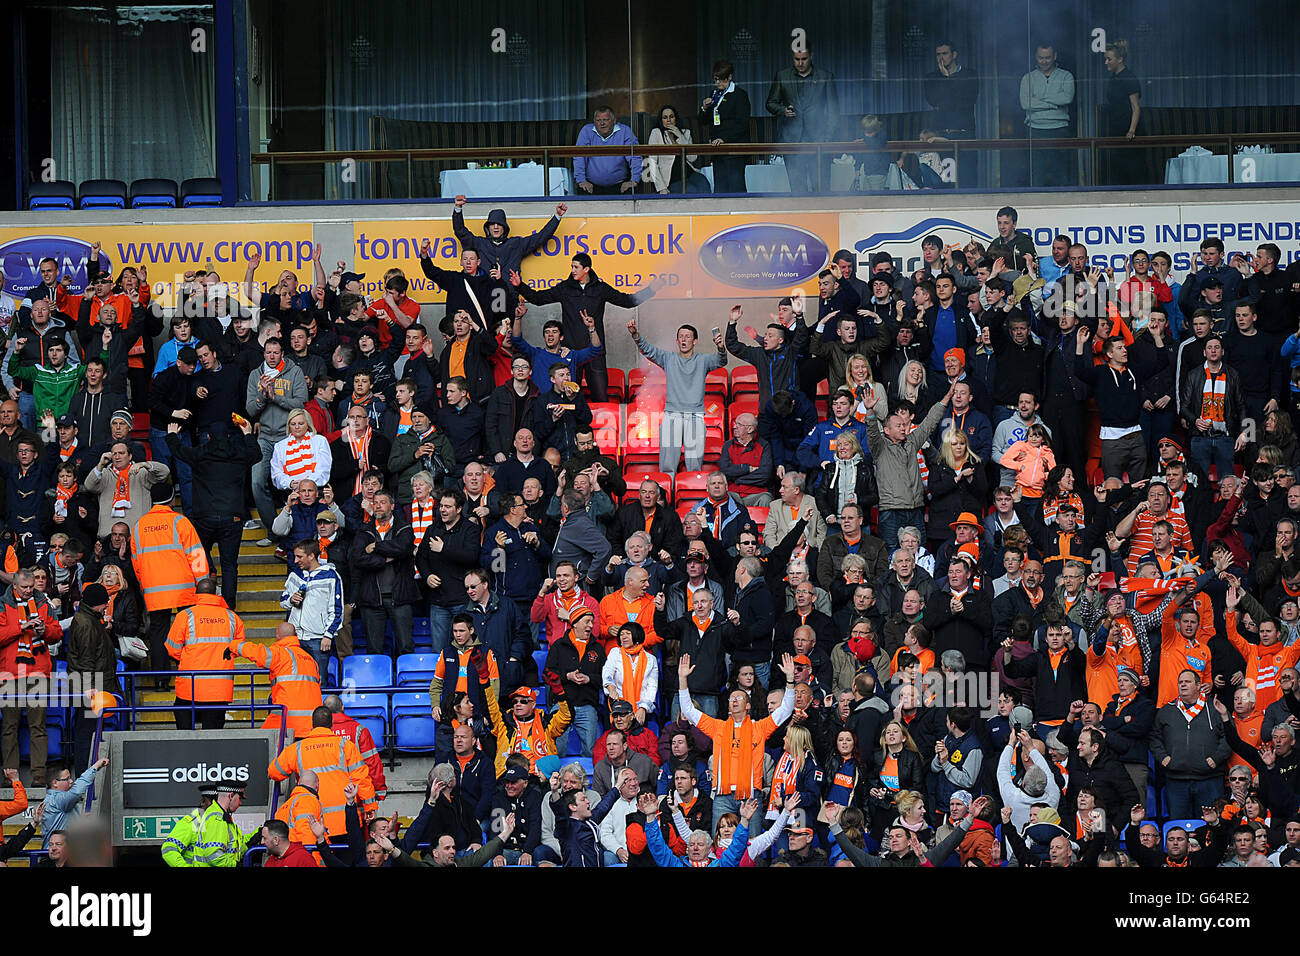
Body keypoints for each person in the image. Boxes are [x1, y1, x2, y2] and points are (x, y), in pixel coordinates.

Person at [678, 651, 797, 829]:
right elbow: (688, 710)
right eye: (731, 698)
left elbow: (786, 709)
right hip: (721, 797)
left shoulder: (760, 728)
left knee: (752, 848)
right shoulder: (717, 727)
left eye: (739, 698)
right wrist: (682, 680)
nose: (734, 700)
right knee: (721, 847)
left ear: (748, 706)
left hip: (750, 796)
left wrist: (789, 679)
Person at [166, 412, 260, 609]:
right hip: (232, 517)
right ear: (227, 436)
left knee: (200, 557)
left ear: (208, 437)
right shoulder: (238, 454)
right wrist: (248, 433)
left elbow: (178, 451)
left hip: (204, 517)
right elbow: (256, 453)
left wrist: (172, 434)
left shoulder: (200, 454)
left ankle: (204, 598)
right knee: (229, 566)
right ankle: (228, 608)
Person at [131, 482, 209, 688]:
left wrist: (144, 583)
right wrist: (203, 583)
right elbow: (197, 555)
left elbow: (136, 562)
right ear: (172, 499)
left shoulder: (139, 525)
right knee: (189, 632)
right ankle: (190, 674)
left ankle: (161, 679)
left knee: (158, 634)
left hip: (154, 591)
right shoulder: (179, 521)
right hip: (184, 588)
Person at [628, 317, 726, 473]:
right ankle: (666, 495)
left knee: (694, 465)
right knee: (667, 465)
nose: (683, 340)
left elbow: (721, 361)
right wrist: (636, 335)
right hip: (672, 415)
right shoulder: (669, 358)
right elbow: (649, 350)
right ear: (677, 341)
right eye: (681, 337)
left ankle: (693, 494)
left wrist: (721, 347)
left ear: (695, 341)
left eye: (687, 336)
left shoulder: (703, 360)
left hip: (695, 416)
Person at [269, 705, 377, 840]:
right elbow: (362, 779)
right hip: (345, 822)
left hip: (313, 822)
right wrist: (369, 807)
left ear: (312, 724)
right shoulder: (345, 746)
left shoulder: (297, 749)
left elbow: (274, 772)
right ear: (331, 724)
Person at [245, 338, 309, 534]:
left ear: (282, 354)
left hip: (289, 437)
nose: (272, 357)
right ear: (263, 354)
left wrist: (275, 397)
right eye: (268, 353)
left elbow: (301, 403)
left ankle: (299, 530)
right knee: (256, 482)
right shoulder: (256, 374)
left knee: (295, 485)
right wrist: (263, 396)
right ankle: (276, 530)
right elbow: (250, 409)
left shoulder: (294, 371)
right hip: (264, 437)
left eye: (276, 353)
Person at [1150, 669, 1230, 818]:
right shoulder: (1167, 710)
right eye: (1180, 682)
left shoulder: (1215, 708)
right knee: (1179, 829)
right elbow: (1155, 738)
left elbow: (1229, 736)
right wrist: (1164, 758)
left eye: (1187, 682)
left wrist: (1215, 759)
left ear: (1198, 686)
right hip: (1176, 781)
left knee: (1210, 827)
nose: (1183, 685)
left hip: (1209, 780)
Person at [165, 577, 242, 731]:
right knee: (213, 736)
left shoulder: (185, 616)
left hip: (190, 685)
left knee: (184, 734)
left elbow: (172, 648)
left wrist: (188, 659)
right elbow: (238, 647)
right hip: (219, 687)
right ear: (216, 594)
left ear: (196, 594)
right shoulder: (232, 617)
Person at [351, 490, 418, 656]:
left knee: (406, 647)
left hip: (400, 595)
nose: (378, 506)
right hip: (372, 597)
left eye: (383, 502)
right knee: (374, 650)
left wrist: (375, 547)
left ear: (392, 506)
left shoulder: (404, 527)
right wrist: (385, 560)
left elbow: (403, 549)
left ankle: (408, 680)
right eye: (376, 502)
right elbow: (357, 559)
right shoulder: (364, 530)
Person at [228, 621, 322, 737]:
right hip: (312, 725)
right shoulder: (311, 660)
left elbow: (257, 652)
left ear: (277, 635)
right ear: (295, 636)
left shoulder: (280, 653)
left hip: (287, 722)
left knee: (260, 742)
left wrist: (233, 646)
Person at [765, 46, 839, 193]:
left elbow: (833, 111)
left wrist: (827, 138)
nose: (800, 63)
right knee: (797, 190)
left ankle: (823, 216)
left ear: (811, 56)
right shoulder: (783, 76)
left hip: (818, 142)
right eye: (796, 59)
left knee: (821, 189)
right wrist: (783, 110)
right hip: (793, 142)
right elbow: (770, 103)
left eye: (804, 59)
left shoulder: (825, 76)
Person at [283, 538, 345, 677]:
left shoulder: (330, 575)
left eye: (300, 557)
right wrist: (291, 600)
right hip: (295, 638)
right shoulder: (295, 574)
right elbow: (283, 599)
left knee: (319, 681)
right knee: (295, 680)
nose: (295, 561)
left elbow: (337, 610)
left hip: (318, 639)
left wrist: (328, 635)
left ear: (311, 556)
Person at [161, 783, 259, 867]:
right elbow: (169, 849)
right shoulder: (193, 822)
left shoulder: (224, 821)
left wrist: (258, 834)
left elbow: (236, 846)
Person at [923, 39, 979, 185]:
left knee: (967, 178)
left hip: (965, 133)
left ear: (954, 55)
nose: (941, 58)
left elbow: (966, 102)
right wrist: (944, 80)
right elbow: (934, 101)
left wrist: (948, 79)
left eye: (945, 53)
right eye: (938, 54)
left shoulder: (970, 75)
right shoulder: (932, 78)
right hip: (942, 133)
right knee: (946, 181)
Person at [1018, 47, 1075, 187]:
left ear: (1055, 56)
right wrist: (1054, 104)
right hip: (1035, 129)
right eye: (1040, 58)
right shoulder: (1028, 78)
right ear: (1035, 57)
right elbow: (1026, 103)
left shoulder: (1066, 76)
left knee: (1061, 171)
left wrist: (1039, 98)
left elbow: (1067, 98)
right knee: (1037, 172)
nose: (1044, 61)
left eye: (1047, 57)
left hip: (1060, 129)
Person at [700, 59, 751, 194]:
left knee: (736, 189)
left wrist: (724, 139)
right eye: (716, 79)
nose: (718, 83)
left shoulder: (739, 95)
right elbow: (703, 121)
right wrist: (704, 108)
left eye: (722, 79)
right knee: (720, 190)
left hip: (734, 151)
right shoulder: (714, 94)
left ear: (730, 77)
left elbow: (742, 124)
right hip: (718, 151)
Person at [1100, 39, 1143, 185]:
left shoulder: (1129, 78)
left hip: (1127, 130)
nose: (1106, 62)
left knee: (1130, 168)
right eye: (1105, 59)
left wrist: (1131, 131)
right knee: (1117, 169)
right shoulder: (1113, 78)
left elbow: (1135, 107)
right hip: (1115, 128)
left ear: (1120, 59)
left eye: (1109, 59)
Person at [39, 758, 108, 849]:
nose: (71, 781)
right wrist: (95, 767)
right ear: (55, 783)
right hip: (57, 855)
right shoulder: (56, 799)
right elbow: (76, 792)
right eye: (67, 779)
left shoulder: (54, 799)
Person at [642, 105, 709, 194]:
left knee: (704, 184)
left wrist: (680, 136)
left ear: (676, 119)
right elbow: (652, 162)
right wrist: (661, 188)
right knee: (692, 191)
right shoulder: (656, 133)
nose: (668, 120)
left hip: (689, 173)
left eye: (671, 117)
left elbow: (692, 158)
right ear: (661, 120)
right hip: (671, 178)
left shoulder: (686, 133)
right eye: (665, 117)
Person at [574, 106, 641, 195]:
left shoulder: (625, 131)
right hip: (591, 186)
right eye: (598, 120)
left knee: (631, 190)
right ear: (594, 122)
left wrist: (634, 180)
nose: (602, 123)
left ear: (614, 121)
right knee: (582, 190)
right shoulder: (587, 131)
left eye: (606, 120)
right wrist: (581, 181)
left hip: (620, 185)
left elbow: (635, 157)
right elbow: (579, 157)